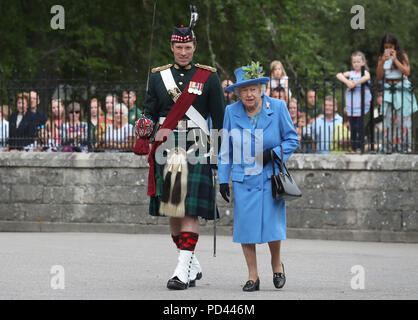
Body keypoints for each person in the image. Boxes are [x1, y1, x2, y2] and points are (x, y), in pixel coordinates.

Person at [141, 19, 225, 291]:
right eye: (180, 47)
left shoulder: (208, 77)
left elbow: (220, 121)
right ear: (172, 47)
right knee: (173, 210)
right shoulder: (157, 77)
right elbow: (150, 113)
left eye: (188, 47)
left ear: (194, 46)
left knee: (189, 209)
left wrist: (217, 158)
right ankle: (191, 264)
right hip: (167, 147)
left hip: (197, 145)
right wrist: (145, 125)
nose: (184, 52)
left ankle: (181, 271)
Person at [218, 63, 299, 291]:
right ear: (237, 93)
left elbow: (292, 139)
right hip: (244, 178)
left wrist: (272, 153)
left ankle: (276, 264)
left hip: (270, 178)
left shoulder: (278, 107)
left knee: (272, 226)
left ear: (261, 88)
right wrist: (223, 178)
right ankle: (252, 275)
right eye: (244, 90)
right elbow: (226, 149)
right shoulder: (230, 112)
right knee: (245, 228)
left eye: (253, 89)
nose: (249, 94)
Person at [376, 33, 417, 153]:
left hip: (401, 88)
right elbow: (379, 76)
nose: (388, 49)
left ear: (395, 46)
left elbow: (407, 71)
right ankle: (388, 147)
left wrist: (395, 60)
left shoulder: (402, 55)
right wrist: (382, 61)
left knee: (403, 120)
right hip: (389, 88)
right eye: (386, 47)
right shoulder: (381, 57)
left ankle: (404, 147)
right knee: (388, 121)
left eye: (390, 46)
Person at [336, 51, 371, 154]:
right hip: (351, 104)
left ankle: (360, 147)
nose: (356, 64)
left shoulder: (364, 72)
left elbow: (366, 77)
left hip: (361, 104)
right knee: (352, 127)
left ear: (363, 62)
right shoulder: (350, 73)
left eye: (358, 61)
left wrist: (355, 83)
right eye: (354, 62)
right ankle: (353, 148)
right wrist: (347, 82)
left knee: (359, 126)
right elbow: (338, 75)